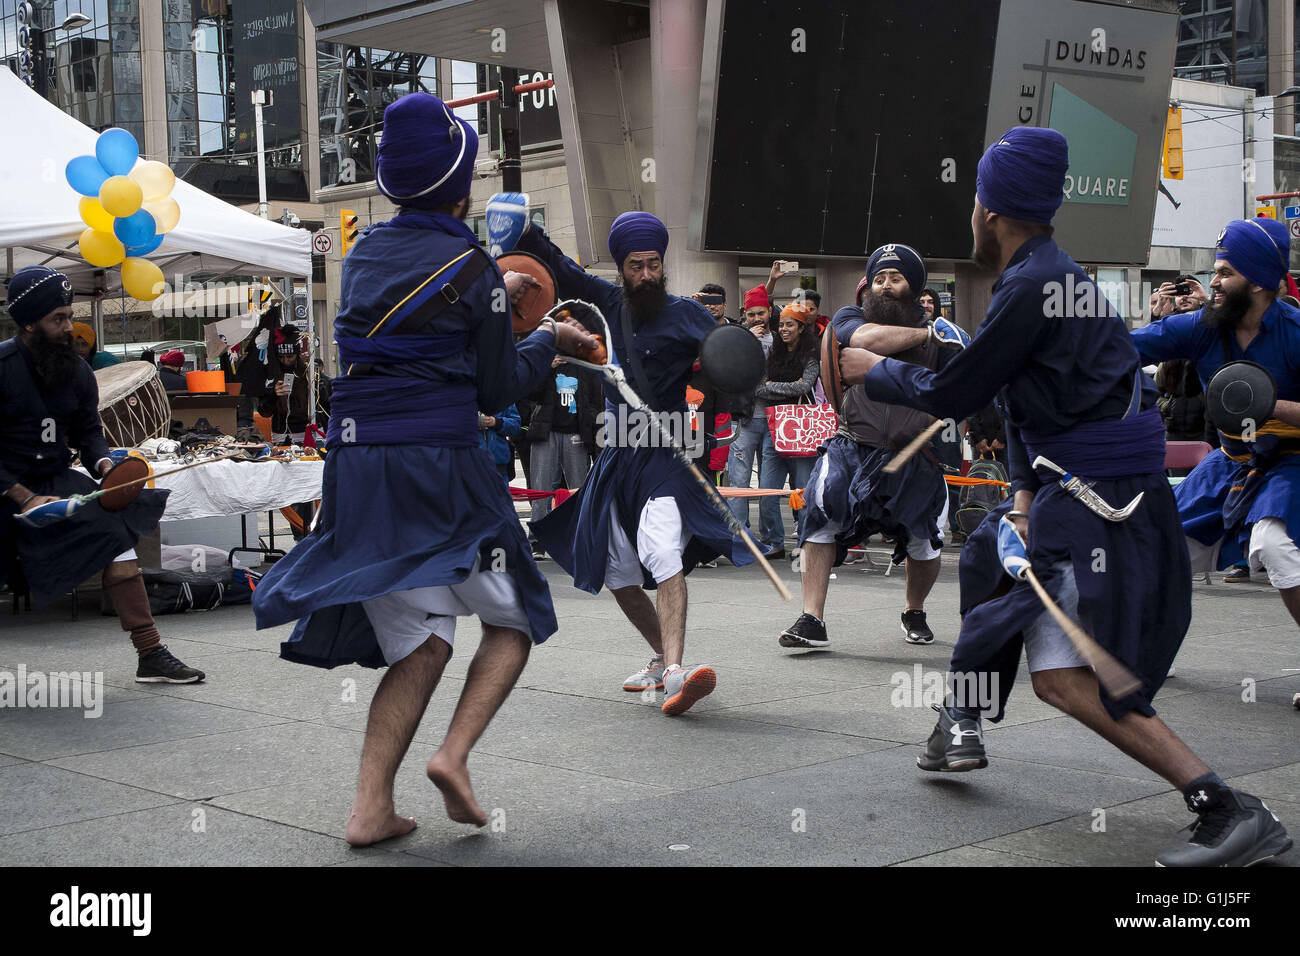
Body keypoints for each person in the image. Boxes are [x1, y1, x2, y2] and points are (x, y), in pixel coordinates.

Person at [846, 127, 1289, 867]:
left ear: (990, 207)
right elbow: (1028, 398)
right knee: (1058, 674)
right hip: (1090, 498)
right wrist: (1022, 495)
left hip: (1102, 506)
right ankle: (1221, 806)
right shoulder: (1054, 277)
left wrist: (871, 368)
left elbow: (959, 392)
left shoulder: (1028, 286)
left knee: (1053, 649)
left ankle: (1227, 808)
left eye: (977, 197)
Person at [251, 92, 594, 844]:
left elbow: (415, 340)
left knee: (425, 637)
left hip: (357, 465)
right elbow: (498, 386)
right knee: (516, 617)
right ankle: (453, 755)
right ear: (459, 184)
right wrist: (552, 339)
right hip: (436, 466)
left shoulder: (363, 251)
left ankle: (370, 807)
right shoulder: (471, 266)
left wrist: (494, 303)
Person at [515, 208, 759, 715]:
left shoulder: (690, 315)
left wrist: (738, 383)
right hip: (616, 453)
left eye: (653, 264)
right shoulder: (603, 304)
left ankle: (674, 673)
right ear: (621, 267)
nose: (646, 274)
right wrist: (523, 228)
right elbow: (557, 266)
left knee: (662, 545)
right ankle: (658, 657)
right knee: (618, 573)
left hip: (666, 454)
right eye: (635, 266)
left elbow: (733, 362)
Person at [1, 266, 204, 684]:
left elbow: (90, 435)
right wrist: (22, 497)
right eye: (56, 319)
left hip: (55, 478)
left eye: (68, 315)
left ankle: (150, 652)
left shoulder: (75, 370)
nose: (68, 327)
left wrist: (108, 467)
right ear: (27, 323)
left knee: (117, 536)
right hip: (6, 484)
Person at [779, 243, 965, 651]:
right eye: (877, 278)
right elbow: (868, 340)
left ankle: (914, 609)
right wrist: (928, 331)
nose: (883, 286)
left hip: (916, 454)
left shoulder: (943, 340)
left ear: (914, 288)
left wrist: (960, 349)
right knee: (821, 512)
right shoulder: (851, 318)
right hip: (852, 444)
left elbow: (963, 390)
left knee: (925, 538)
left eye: (895, 279)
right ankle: (812, 619)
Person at [1132, 220, 1300, 624]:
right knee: (1156, 544)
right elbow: (1114, 349)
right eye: (1215, 271)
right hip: (1230, 459)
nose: (1215, 282)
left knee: (1274, 543)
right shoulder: (1201, 328)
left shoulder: (1295, 334)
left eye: (1226, 273)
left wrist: (1270, 405)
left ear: (1259, 282)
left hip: (1291, 461)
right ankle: (1147, 655)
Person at [757, 301, 820, 547]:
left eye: (789, 324)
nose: (783, 329)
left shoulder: (811, 355)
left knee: (802, 492)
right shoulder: (773, 353)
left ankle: (806, 543)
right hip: (774, 430)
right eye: (781, 324)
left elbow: (806, 386)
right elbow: (759, 389)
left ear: (801, 327)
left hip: (802, 430)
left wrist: (774, 386)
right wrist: (782, 387)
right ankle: (774, 543)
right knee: (766, 493)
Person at [525, 358, 600, 558]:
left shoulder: (584, 367)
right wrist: (546, 367)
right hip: (546, 433)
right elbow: (530, 393)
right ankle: (537, 541)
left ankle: (578, 538)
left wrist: (589, 420)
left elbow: (595, 399)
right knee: (541, 488)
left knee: (578, 488)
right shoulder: (548, 362)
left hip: (576, 433)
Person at [728, 285, 779, 548]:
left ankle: (773, 540)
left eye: (760, 313)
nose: (757, 319)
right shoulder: (738, 338)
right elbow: (732, 371)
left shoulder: (782, 338)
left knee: (770, 485)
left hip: (774, 419)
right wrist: (748, 341)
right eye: (751, 315)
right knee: (738, 481)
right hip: (744, 419)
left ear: (770, 311)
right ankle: (740, 539)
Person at [255, 328, 309, 444]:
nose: (285, 361)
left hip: (304, 430)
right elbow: (264, 411)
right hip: (280, 433)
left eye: (290, 356)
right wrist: (273, 394)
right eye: (281, 357)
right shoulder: (270, 375)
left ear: (297, 354)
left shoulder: (308, 375)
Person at [477, 405, 521, 482]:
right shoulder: (463, 397)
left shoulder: (504, 397)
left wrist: (497, 422)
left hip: (498, 462)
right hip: (471, 461)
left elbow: (516, 425)